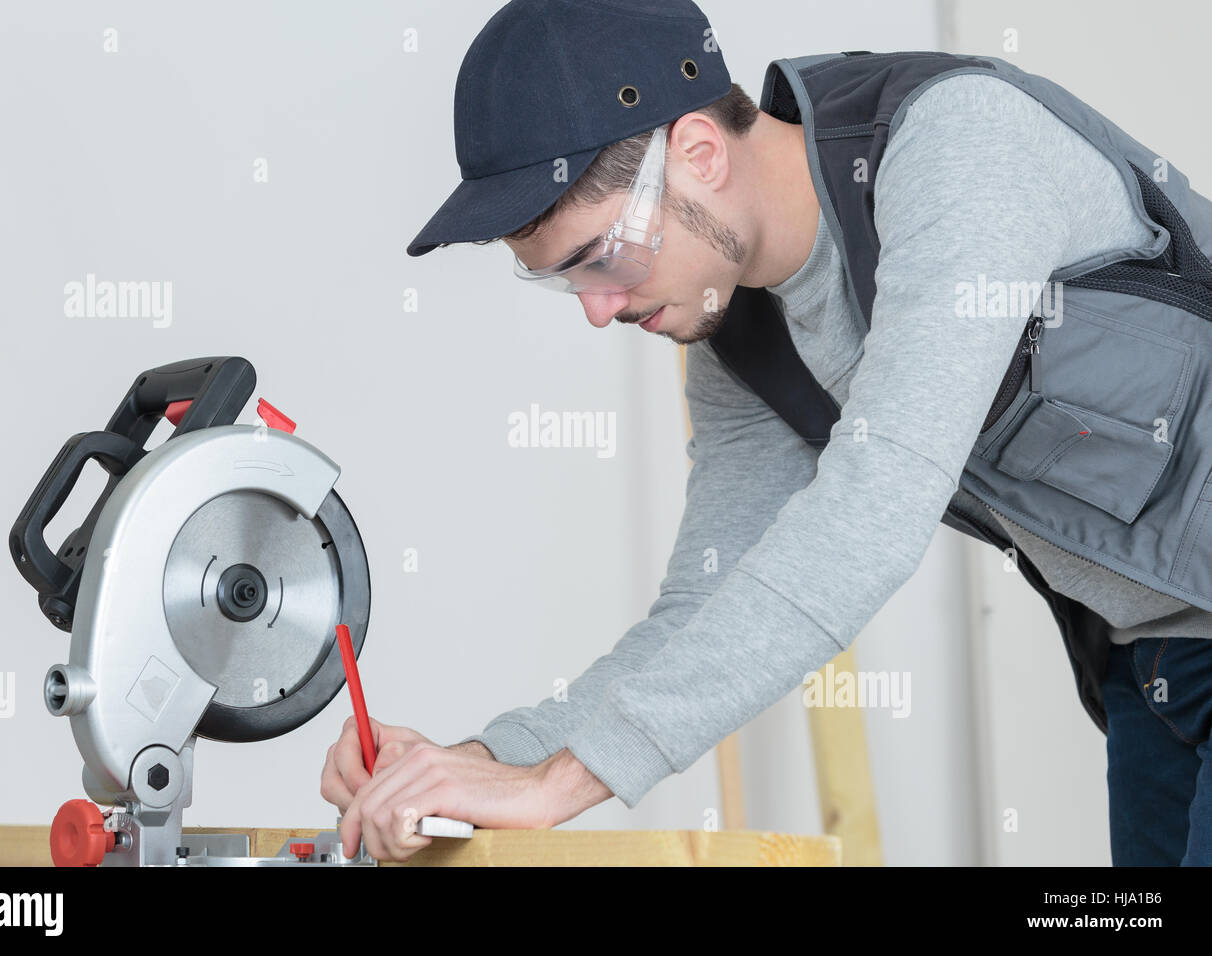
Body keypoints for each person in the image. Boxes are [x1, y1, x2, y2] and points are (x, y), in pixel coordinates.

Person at [321, 0, 1212, 865]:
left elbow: (878, 504)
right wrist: (496, 761)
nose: (597, 311)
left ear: (699, 151)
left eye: (602, 257)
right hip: (1154, 658)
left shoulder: (956, 147)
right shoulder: (747, 336)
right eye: (562, 282)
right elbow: (709, 600)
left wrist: (562, 786)